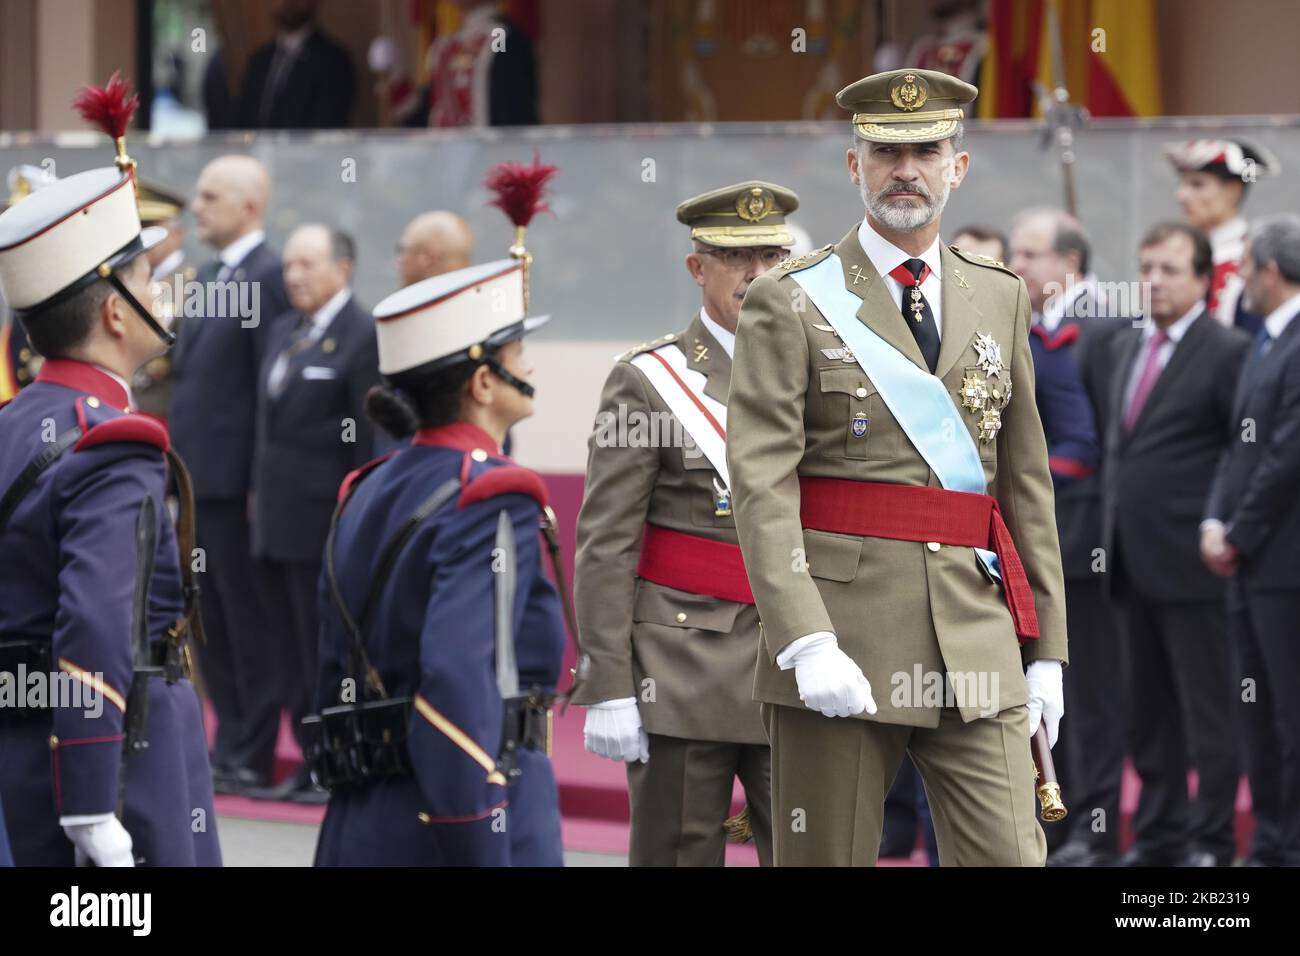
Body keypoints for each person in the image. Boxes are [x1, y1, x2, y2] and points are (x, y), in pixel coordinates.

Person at [726, 68, 1068, 867]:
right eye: (884, 152)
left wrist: (1047, 648)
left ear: (959, 165)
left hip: (975, 636)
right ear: (855, 168)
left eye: (926, 149)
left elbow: (1024, 484)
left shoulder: (1001, 295)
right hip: (843, 634)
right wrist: (804, 639)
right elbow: (761, 484)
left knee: (1012, 858)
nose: (905, 168)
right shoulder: (790, 298)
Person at [570, 182, 798, 866]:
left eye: (772, 254)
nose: (757, 272)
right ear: (698, 269)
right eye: (736, 256)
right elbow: (606, 542)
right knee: (678, 854)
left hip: (796, 660)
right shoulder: (647, 380)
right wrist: (608, 682)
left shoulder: (825, 369)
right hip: (681, 667)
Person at [310, 256, 566, 865]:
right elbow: (456, 678)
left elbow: (330, 668)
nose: (528, 365)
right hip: (463, 814)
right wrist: (477, 835)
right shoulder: (492, 493)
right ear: (482, 384)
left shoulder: (364, 487)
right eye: (516, 353)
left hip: (362, 813)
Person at [0, 158, 219, 866]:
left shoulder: (15, 421)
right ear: (116, 309)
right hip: (125, 763)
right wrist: (93, 803)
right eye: (148, 276)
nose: (163, 289)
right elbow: (95, 624)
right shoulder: (116, 443)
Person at [1097, 222, 1249, 867]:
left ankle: (1211, 842)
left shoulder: (1228, 350)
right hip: (1128, 562)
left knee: (1210, 714)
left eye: (1170, 269)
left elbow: (1239, 454)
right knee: (1148, 714)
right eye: (1146, 267)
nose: (1154, 281)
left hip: (1195, 565)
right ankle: (1157, 837)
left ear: (1204, 279)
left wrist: (1222, 527)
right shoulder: (1126, 349)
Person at [1007, 207, 1124, 867]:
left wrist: (1024, 485)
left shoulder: (1100, 328)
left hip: (1086, 541)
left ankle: (1095, 830)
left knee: (1092, 695)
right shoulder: (1041, 328)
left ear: (1069, 264)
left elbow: (1091, 444)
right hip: (1049, 540)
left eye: (1030, 256)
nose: (1017, 267)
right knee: (1056, 693)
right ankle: (1064, 816)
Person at [169, 155, 290, 795]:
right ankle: (230, 740)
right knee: (208, 613)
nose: (197, 205)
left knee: (245, 617)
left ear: (249, 205)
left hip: (233, 483)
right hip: (196, 479)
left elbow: (265, 391)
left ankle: (252, 747)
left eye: (210, 195)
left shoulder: (267, 277)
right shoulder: (212, 274)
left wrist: (254, 485)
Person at [246, 225, 379, 803]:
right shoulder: (283, 329)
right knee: (287, 647)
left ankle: (336, 756)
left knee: (326, 647)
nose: (292, 276)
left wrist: (359, 518)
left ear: (343, 268)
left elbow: (368, 440)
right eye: (290, 265)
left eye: (307, 264)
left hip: (326, 523)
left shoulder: (363, 333)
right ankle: (307, 757)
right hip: (275, 522)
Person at [1203, 213, 1300, 867]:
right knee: (1257, 712)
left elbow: (1288, 454)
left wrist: (1236, 531)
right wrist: (1215, 520)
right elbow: (1237, 448)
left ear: (1268, 272)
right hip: (1250, 565)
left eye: (1242, 269)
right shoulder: (1264, 341)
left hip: (1284, 565)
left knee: (1291, 716)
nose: (1235, 281)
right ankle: (1269, 839)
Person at [1164, 138, 1281, 334]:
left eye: (1197, 184)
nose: (1181, 195)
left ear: (1233, 191)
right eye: (1182, 183)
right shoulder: (1174, 255)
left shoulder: (1250, 262)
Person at [401, 0, 538, 128]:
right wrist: (396, 77)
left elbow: (514, 117)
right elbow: (424, 117)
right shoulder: (445, 47)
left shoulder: (501, 37)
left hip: (490, 150)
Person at [236, 0, 355, 129]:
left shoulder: (333, 61)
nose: (287, 2)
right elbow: (241, 120)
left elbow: (326, 125)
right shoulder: (259, 61)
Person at [396, 211, 474, 287]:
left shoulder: (410, 299)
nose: (398, 260)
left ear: (427, 257)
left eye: (403, 250)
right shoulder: (481, 296)